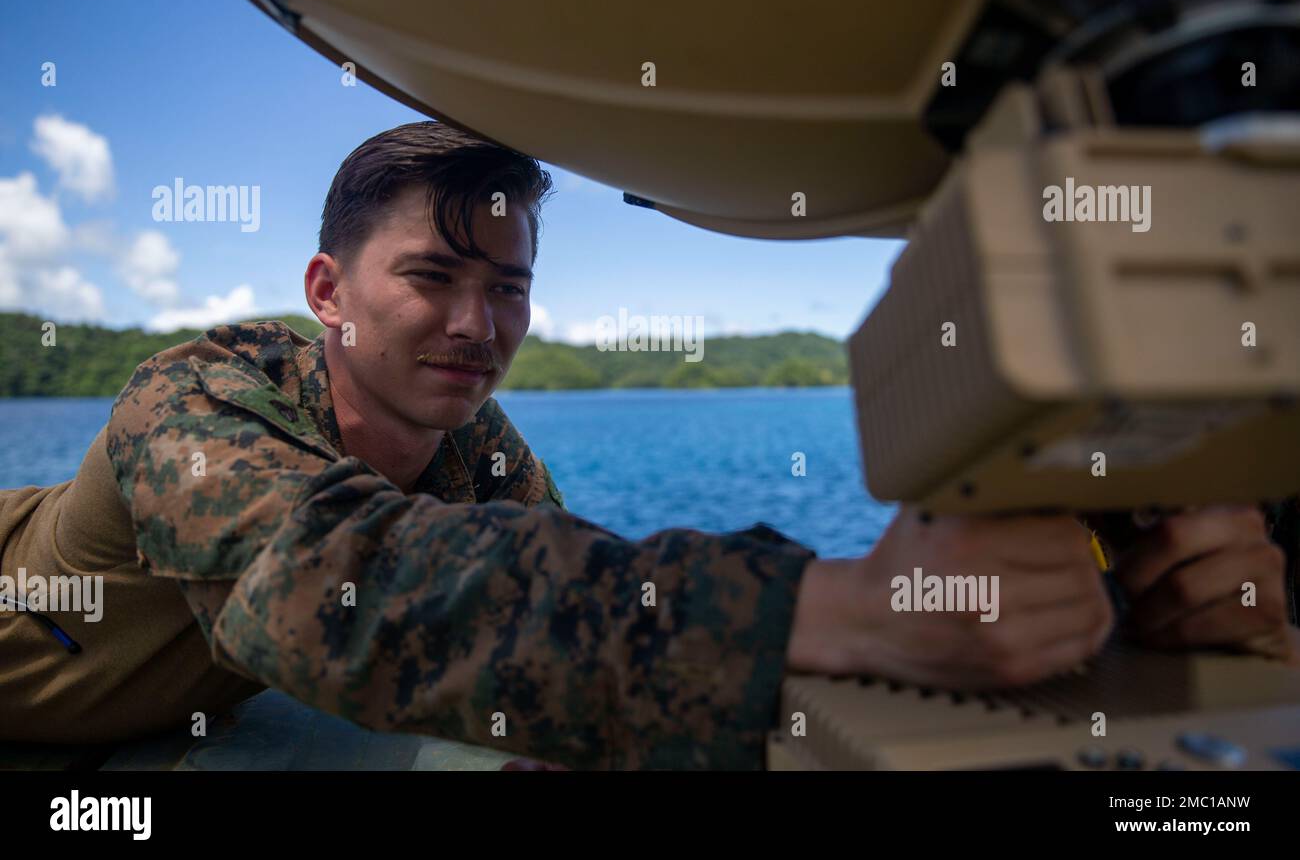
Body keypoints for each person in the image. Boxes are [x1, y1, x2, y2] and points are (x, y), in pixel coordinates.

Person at [1, 122, 1296, 770]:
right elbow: (341, 585)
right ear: (327, 292)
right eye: (433, 276)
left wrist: (1104, 577)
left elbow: (568, 584)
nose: (478, 324)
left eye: (507, 286)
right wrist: (842, 606)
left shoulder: (476, 450)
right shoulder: (197, 397)